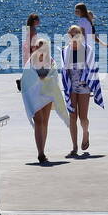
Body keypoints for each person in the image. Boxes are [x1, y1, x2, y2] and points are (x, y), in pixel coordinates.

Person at [21, 34, 69, 164]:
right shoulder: (31, 61)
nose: (40, 50)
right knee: (38, 120)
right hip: (35, 94)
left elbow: (54, 76)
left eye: (42, 48)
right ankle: (40, 152)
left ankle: (42, 150)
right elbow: (26, 78)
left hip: (47, 94)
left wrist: (46, 80)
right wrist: (38, 81)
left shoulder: (51, 61)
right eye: (38, 47)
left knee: (45, 122)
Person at [61, 24, 103, 157]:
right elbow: (63, 71)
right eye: (71, 34)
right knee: (72, 116)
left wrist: (90, 83)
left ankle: (85, 133)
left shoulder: (87, 50)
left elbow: (92, 68)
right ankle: (74, 147)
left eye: (76, 34)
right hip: (71, 86)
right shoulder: (64, 50)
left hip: (84, 86)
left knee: (82, 117)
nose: (73, 37)